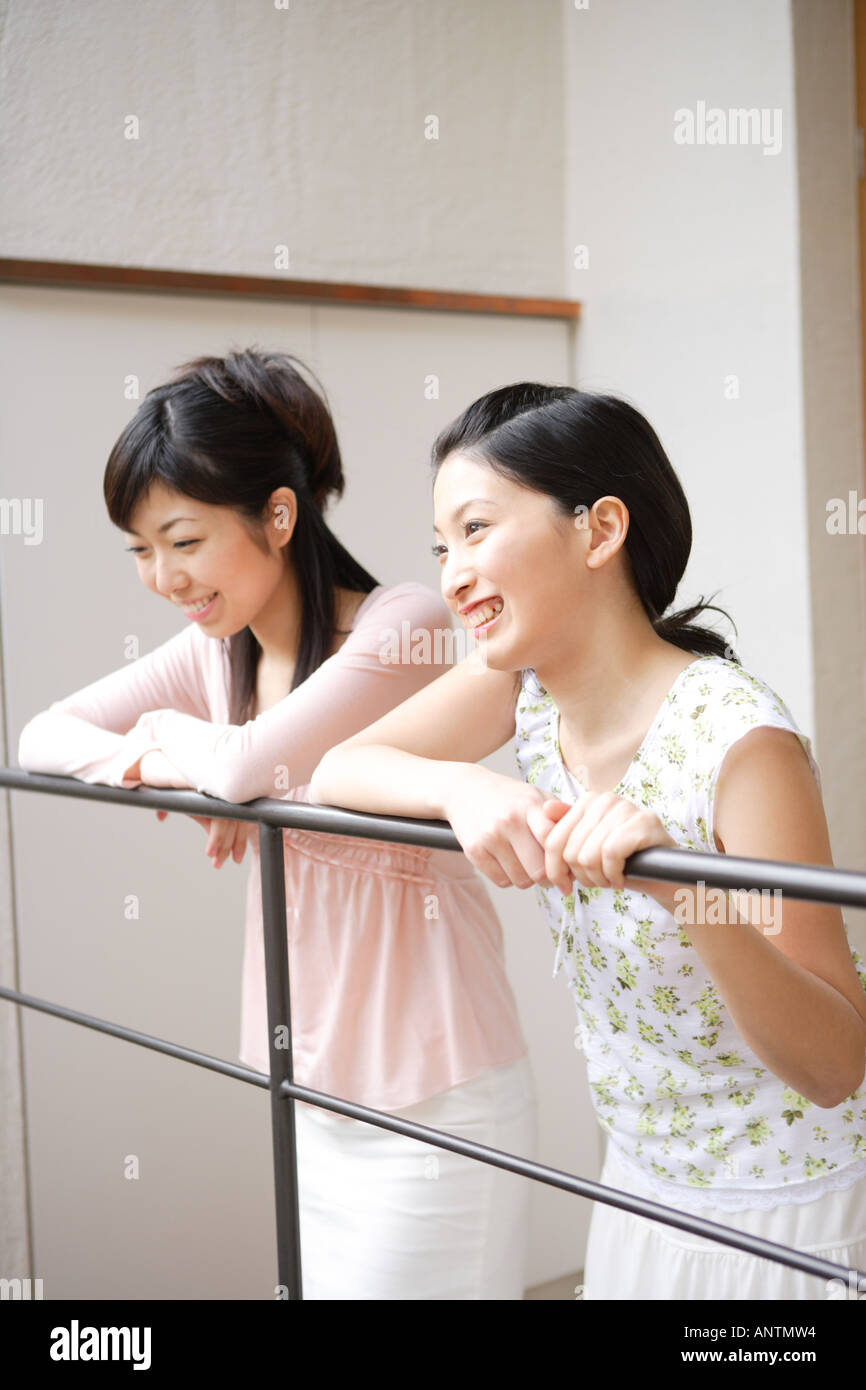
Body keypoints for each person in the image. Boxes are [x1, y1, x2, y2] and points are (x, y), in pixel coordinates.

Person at [309, 381, 866, 1301]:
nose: (451, 574)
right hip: (637, 1184)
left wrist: (684, 893)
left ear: (600, 532)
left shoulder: (738, 742)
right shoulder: (524, 686)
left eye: (478, 531)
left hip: (783, 1210)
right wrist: (461, 788)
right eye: (442, 546)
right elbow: (341, 768)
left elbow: (836, 1062)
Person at [16, 349, 538, 1301]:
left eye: (183, 540)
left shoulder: (400, 625)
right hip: (312, 1092)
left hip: (436, 1097)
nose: (164, 578)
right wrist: (185, 764)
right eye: (140, 550)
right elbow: (40, 735)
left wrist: (191, 750)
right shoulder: (216, 655)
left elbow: (251, 766)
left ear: (279, 516)